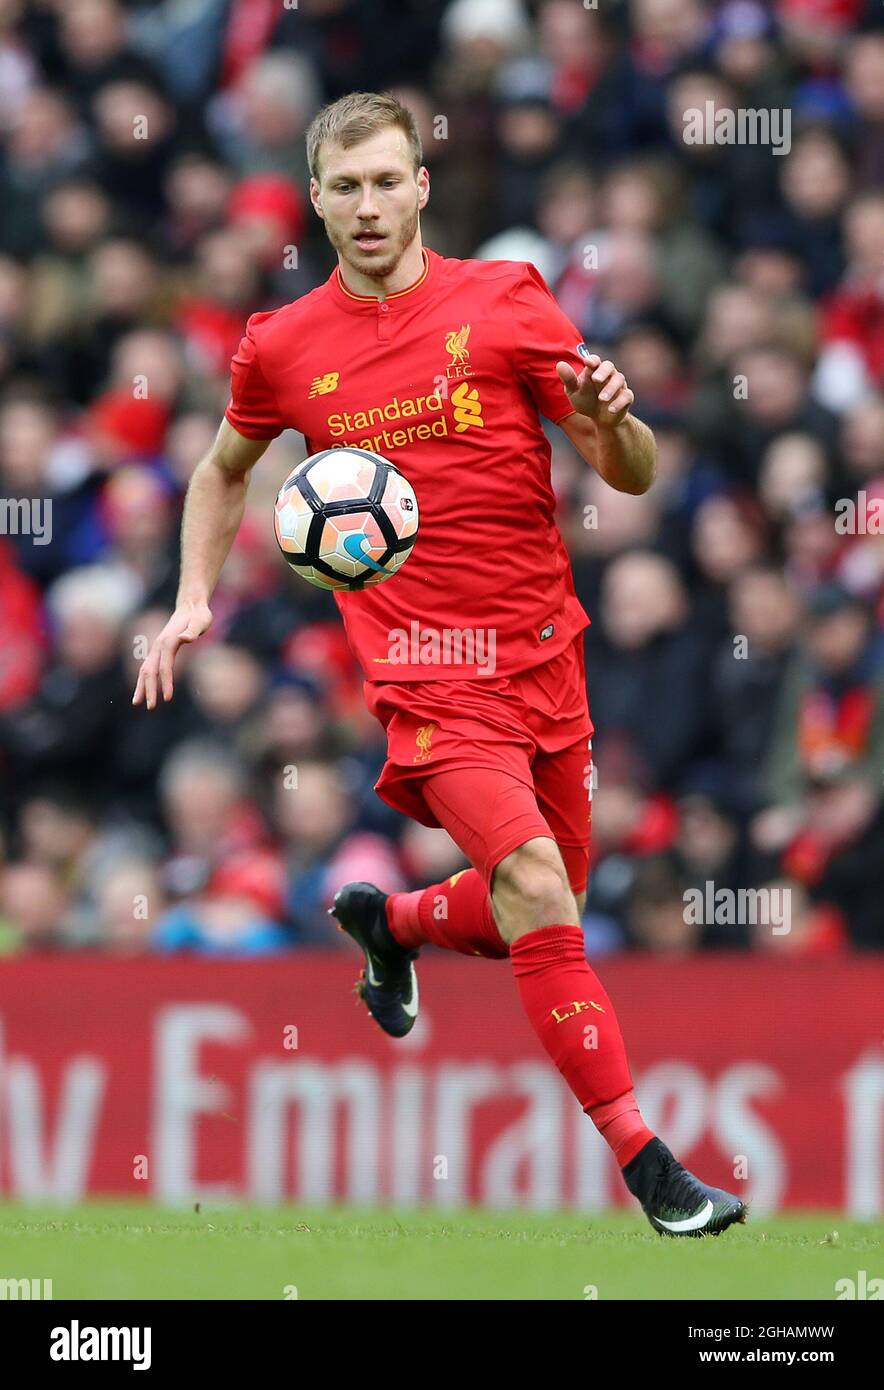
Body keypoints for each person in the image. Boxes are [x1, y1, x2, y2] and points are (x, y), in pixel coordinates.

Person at [133, 90, 745, 1238]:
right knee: (535, 883)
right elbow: (221, 471)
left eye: (386, 181)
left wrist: (613, 421)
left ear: (421, 186)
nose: (367, 207)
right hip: (421, 672)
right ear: (314, 200)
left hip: (547, 658)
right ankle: (649, 1166)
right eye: (344, 187)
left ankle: (396, 924)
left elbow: (632, 476)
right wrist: (191, 599)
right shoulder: (280, 345)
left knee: (536, 899)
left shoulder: (507, 302)